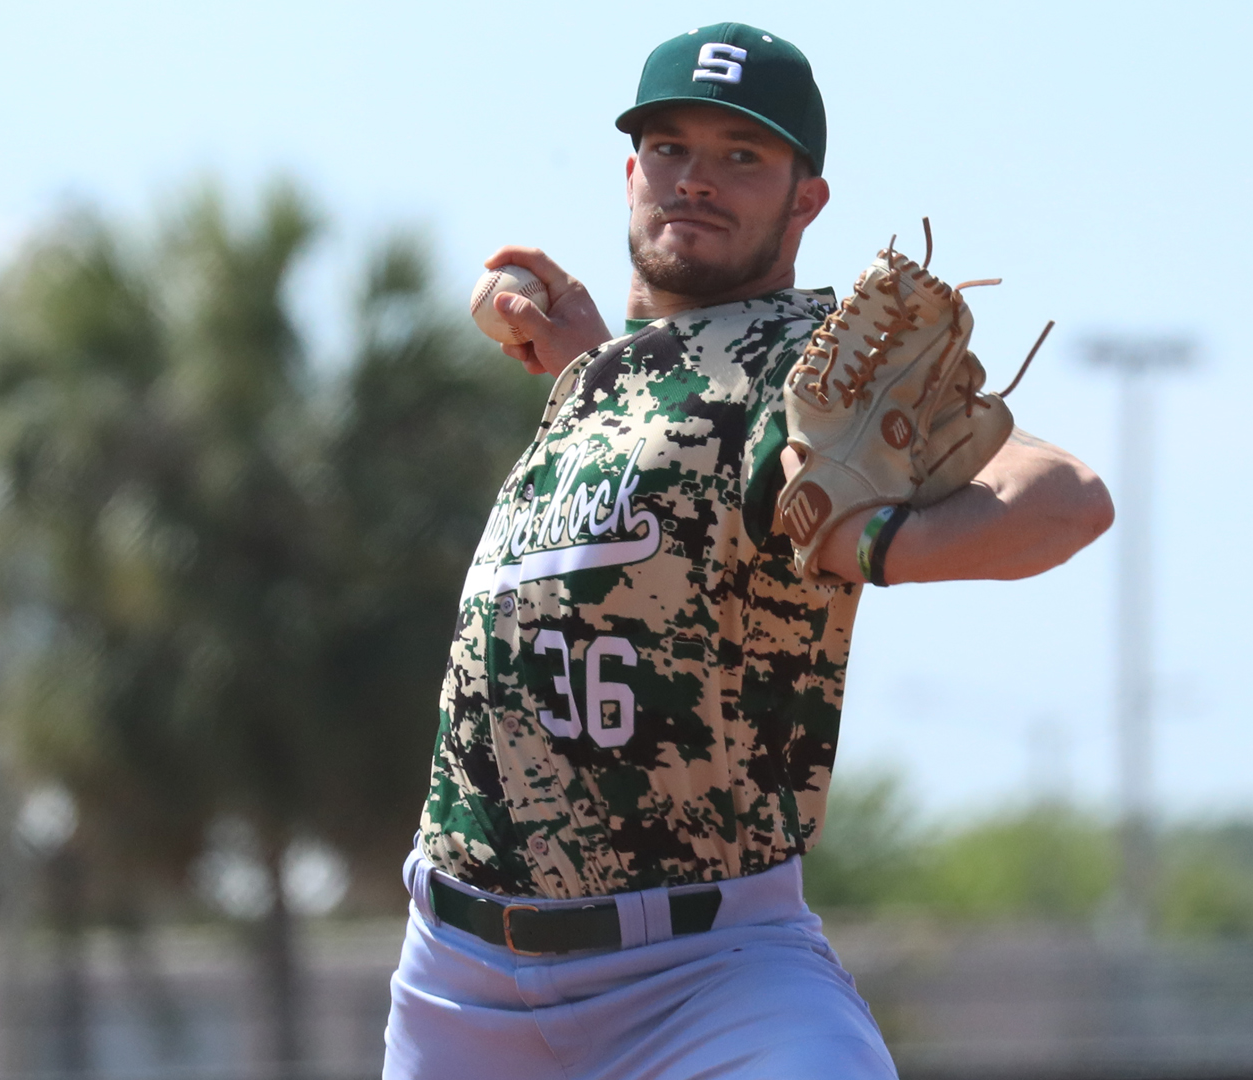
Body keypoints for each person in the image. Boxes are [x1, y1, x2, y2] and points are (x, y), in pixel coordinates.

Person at [383, 22, 1113, 1080]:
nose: (697, 180)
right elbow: (657, 437)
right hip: (455, 985)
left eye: (742, 156)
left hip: (704, 978)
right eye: (672, 149)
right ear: (632, 172)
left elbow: (1065, 500)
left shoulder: (811, 371)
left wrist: (873, 541)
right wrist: (593, 358)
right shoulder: (611, 376)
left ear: (804, 199)